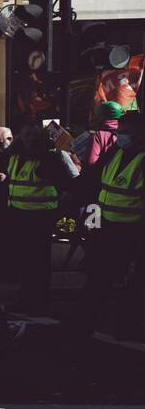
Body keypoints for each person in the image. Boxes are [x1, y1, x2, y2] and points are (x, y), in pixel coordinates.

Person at [71, 110, 144, 340]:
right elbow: (93, 183)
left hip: (133, 231)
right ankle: (86, 321)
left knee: (132, 283)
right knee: (98, 276)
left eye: (127, 133)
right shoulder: (115, 153)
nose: (122, 136)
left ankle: (126, 326)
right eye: (120, 131)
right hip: (107, 227)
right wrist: (90, 219)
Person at [4, 124, 78, 315]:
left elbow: (69, 186)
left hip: (40, 217)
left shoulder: (52, 158)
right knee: (25, 262)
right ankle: (25, 300)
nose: (30, 139)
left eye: (34, 135)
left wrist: (60, 210)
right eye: (26, 134)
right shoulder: (16, 157)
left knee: (38, 263)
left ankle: (38, 303)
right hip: (18, 216)